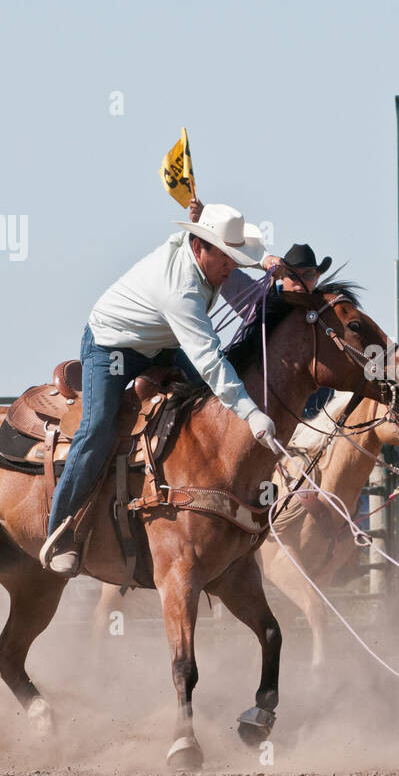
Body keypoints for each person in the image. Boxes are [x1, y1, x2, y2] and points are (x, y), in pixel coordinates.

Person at [41, 202, 298, 577]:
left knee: (209, 402)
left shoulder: (202, 257)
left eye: (236, 257)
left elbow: (215, 249)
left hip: (159, 344)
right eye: (226, 257)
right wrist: (251, 412)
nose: (232, 266)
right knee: (96, 429)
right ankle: (59, 531)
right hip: (110, 347)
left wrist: (261, 262)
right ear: (200, 249)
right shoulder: (181, 290)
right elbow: (209, 359)